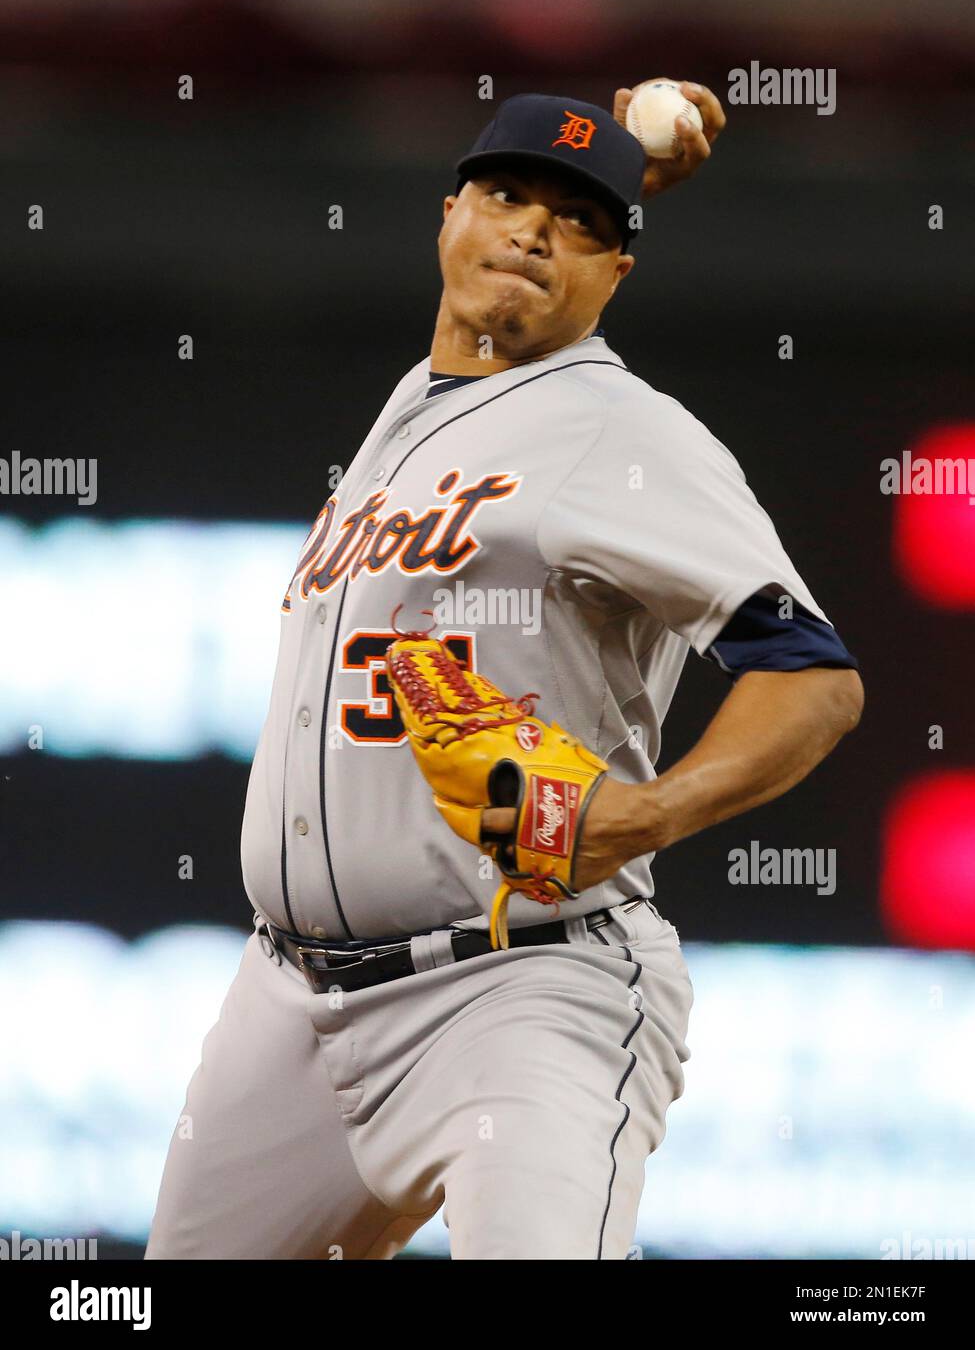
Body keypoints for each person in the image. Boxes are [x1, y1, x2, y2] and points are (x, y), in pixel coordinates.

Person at [146, 84, 862, 1261]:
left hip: (522, 987)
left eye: (580, 224)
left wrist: (645, 812)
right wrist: (612, 178)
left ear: (621, 279)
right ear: (446, 219)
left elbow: (814, 676)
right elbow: (512, 293)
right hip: (286, 1012)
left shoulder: (622, 432)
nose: (531, 229)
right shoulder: (423, 400)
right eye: (508, 195)